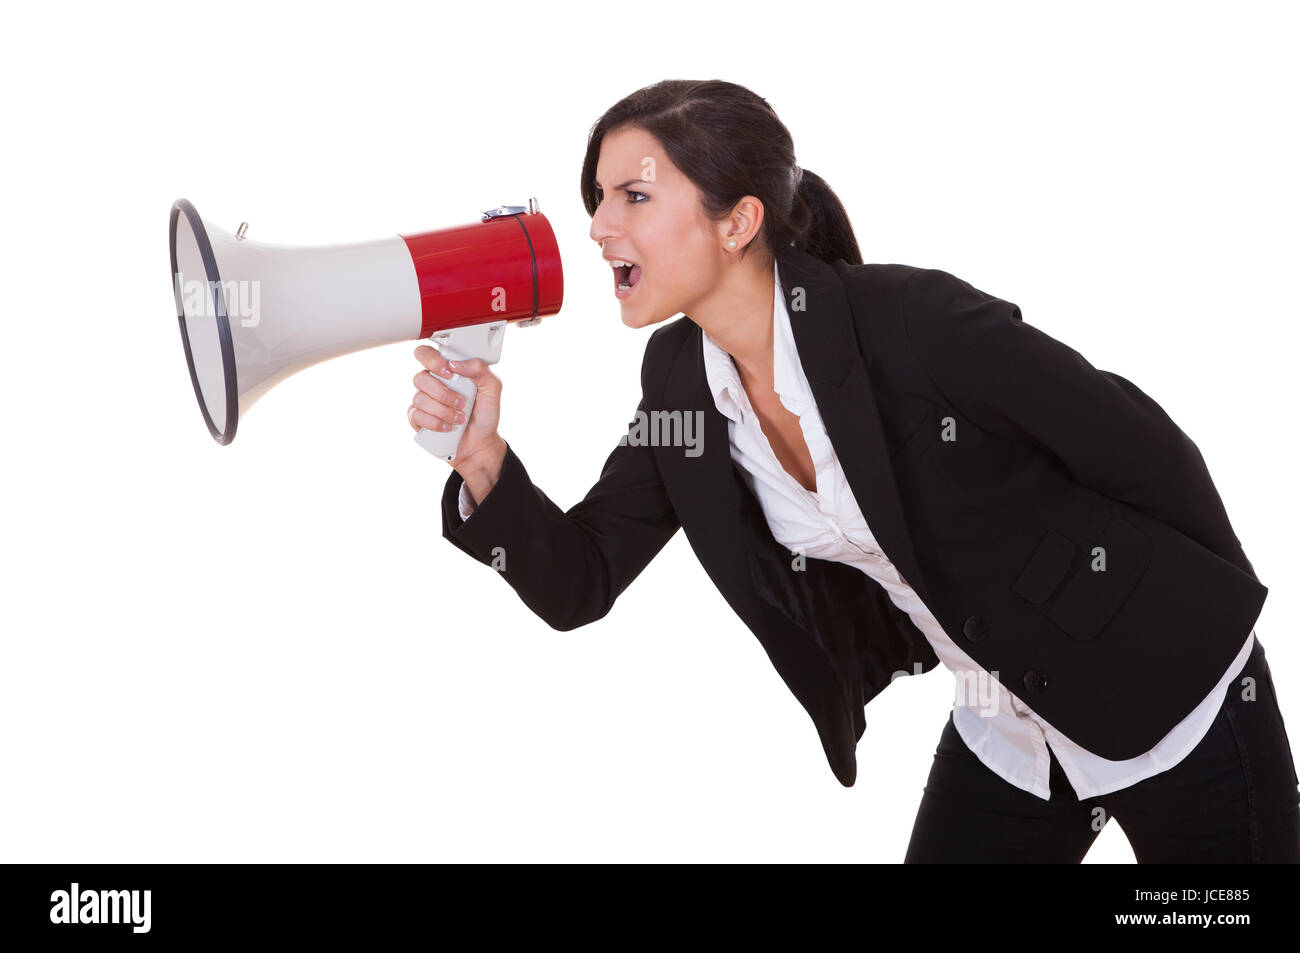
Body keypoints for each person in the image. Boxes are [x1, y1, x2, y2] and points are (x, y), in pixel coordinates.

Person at [406, 79, 1299, 862]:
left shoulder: (913, 321)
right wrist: (485, 459)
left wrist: (1207, 632)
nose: (598, 228)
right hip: (1010, 728)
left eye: (633, 196)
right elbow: (582, 579)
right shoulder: (682, 381)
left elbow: (1144, 447)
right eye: (597, 196)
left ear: (738, 220)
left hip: (1173, 699)